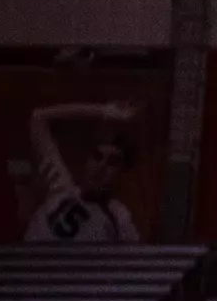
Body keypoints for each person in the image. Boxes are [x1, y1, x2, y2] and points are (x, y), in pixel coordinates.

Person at [24, 100, 140, 241]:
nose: (101, 167)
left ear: (121, 172)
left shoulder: (119, 216)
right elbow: (39, 117)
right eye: (97, 157)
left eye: (112, 163)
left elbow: (133, 259)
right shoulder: (61, 187)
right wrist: (106, 111)